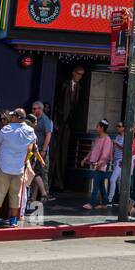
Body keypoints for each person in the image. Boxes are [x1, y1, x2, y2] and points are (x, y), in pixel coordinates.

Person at [0, 108, 37, 228]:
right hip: (19, 168)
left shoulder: (7, 129)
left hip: (4, 167)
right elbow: (33, 141)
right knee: (16, 195)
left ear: (16, 117)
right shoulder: (30, 130)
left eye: (12, 116)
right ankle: (13, 220)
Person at [51, 65, 85, 193]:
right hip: (60, 122)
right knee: (56, 151)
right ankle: (53, 181)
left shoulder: (78, 88)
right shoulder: (64, 85)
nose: (79, 77)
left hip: (68, 124)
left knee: (63, 152)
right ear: (73, 73)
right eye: (78, 74)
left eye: (81, 75)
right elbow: (58, 103)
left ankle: (59, 182)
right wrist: (56, 121)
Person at [82, 120, 114, 210]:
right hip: (97, 164)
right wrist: (86, 158)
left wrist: (99, 163)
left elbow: (105, 154)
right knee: (100, 184)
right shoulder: (97, 138)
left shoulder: (107, 139)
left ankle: (91, 203)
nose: (96, 128)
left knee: (96, 183)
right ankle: (104, 203)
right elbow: (93, 150)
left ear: (102, 128)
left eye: (97, 126)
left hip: (102, 165)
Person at [30, 101, 53, 199]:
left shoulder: (45, 120)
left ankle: (44, 193)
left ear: (41, 109)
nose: (34, 111)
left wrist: (43, 150)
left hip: (39, 150)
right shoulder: (33, 119)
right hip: (33, 149)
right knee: (36, 173)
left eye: (36, 108)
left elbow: (48, 135)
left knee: (36, 172)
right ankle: (33, 197)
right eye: (33, 109)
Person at [107, 122, 126, 206]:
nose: (117, 128)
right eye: (117, 126)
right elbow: (114, 149)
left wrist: (116, 143)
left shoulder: (126, 138)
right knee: (119, 181)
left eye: (119, 126)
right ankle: (122, 200)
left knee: (112, 179)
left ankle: (110, 199)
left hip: (121, 161)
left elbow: (125, 149)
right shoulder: (118, 136)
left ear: (123, 128)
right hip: (116, 160)